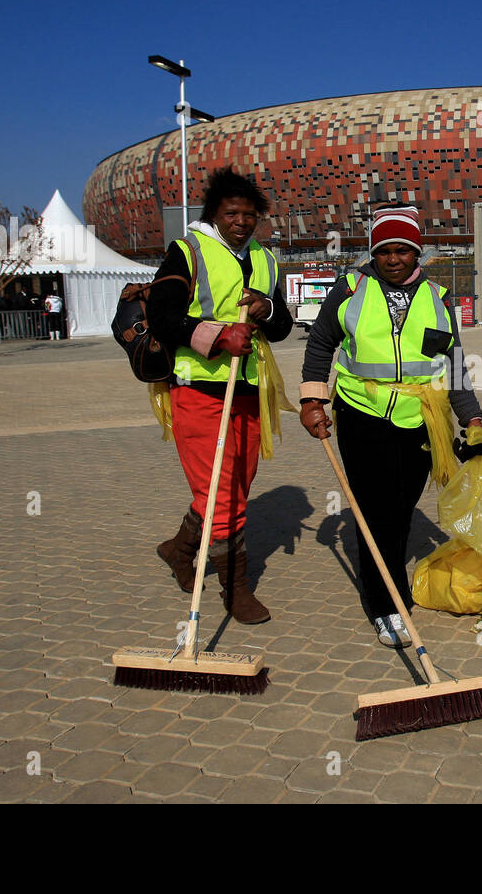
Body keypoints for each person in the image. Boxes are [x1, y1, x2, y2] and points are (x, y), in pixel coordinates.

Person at [299, 206, 482, 647]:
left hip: (420, 419)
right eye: (386, 249)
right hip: (361, 413)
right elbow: (321, 344)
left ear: (416, 252)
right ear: (374, 251)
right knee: (376, 509)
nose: (395, 258)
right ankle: (387, 603)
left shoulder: (438, 298)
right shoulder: (349, 289)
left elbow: (453, 364)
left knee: (401, 508)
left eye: (404, 249)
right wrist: (313, 399)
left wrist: (472, 416)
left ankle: (388, 580)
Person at [146, 168, 293, 624]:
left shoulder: (266, 261)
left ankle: (179, 548)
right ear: (214, 213)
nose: (242, 222)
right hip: (196, 388)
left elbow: (284, 326)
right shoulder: (186, 251)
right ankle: (237, 588)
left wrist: (267, 309)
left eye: (250, 215)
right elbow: (162, 316)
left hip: (247, 387)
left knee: (234, 487)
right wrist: (216, 335)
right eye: (232, 213)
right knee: (219, 493)